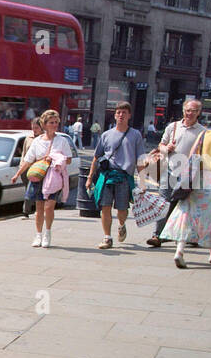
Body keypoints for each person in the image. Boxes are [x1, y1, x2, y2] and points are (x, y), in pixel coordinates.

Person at [163, 105, 211, 267]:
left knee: (188, 214)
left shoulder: (205, 134)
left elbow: (191, 156)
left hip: (197, 178)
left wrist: (186, 178)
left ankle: (180, 251)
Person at [145, 99, 206, 247]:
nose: (190, 113)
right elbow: (161, 144)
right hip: (170, 170)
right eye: (188, 110)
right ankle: (157, 235)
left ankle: (188, 236)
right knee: (164, 202)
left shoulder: (203, 132)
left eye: (194, 111)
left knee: (187, 205)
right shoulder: (173, 127)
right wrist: (166, 149)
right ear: (183, 111)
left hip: (190, 175)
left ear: (199, 113)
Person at [87, 101, 145, 249]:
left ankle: (121, 224)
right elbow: (96, 157)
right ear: (115, 115)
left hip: (124, 177)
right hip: (106, 176)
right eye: (118, 112)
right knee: (105, 206)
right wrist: (89, 177)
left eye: (124, 113)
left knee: (122, 210)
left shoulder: (135, 135)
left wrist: (143, 182)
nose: (121, 115)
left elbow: (140, 159)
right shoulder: (106, 135)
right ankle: (107, 237)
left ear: (129, 116)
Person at [15, 109, 74, 248]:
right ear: (44, 124)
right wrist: (17, 174)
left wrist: (56, 158)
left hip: (53, 177)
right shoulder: (37, 141)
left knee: (49, 207)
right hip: (39, 176)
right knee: (39, 207)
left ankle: (47, 233)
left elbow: (69, 159)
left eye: (56, 122)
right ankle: (38, 235)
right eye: (51, 123)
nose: (54, 125)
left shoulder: (62, 141)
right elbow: (28, 160)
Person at [21, 117, 41, 219]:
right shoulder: (28, 138)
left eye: (36, 127)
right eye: (33, 127)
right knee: (28, 189)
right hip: (25, 168)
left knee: (32, 190)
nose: (34, 129)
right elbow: (24, 153)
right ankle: (32, 209)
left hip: (36, 169)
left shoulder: (43, 139)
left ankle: (26, 211)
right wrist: (21, 166)